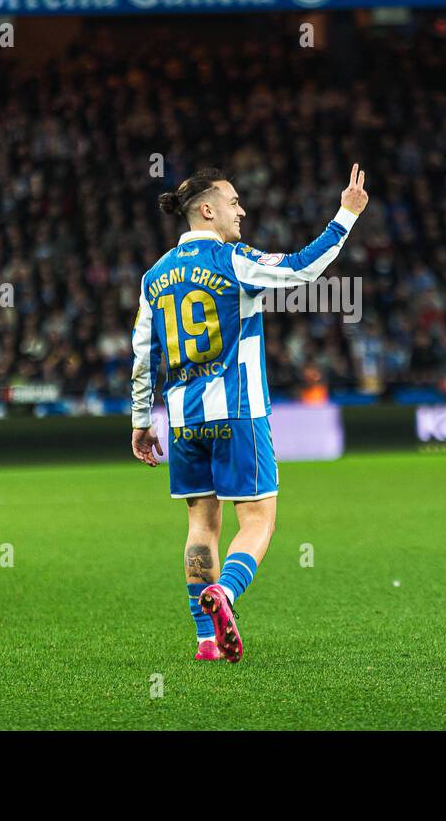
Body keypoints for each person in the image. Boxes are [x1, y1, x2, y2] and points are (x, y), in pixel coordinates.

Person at [129, 164, 369, 663]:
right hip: (238, 411)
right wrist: (346, 214)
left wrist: (139, 420)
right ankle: (227, 594)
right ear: (208, 209)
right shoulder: (232, 259)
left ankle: (205, 640)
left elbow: (142, 354)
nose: (243, 210)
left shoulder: (154, 277)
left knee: (201, 525)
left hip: (184, 420)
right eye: (235, 202)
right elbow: (303, 267)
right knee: (259, 521)